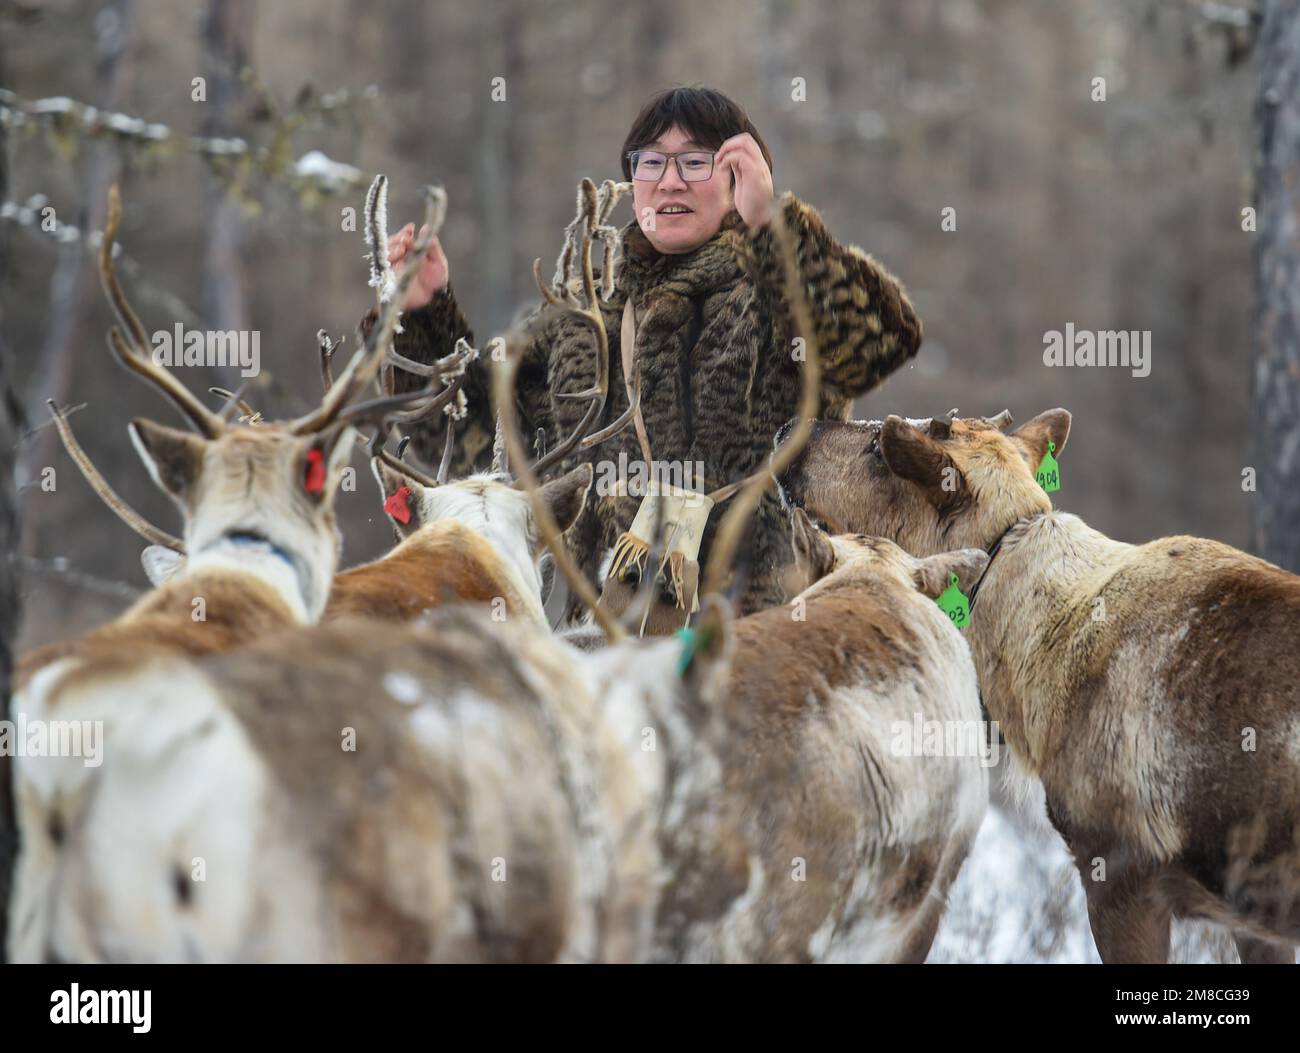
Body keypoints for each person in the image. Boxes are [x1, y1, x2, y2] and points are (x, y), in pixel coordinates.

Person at [370, 84, 922, 620]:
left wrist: (771, 228)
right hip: (611, 661)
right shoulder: (582, 323)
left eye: (695, 162)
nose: (669, 182)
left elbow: (877, 344)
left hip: (768, 655)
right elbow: (469, 442)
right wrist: (423, 315)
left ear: (740, 176)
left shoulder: (780, 297)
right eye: (650, 163)